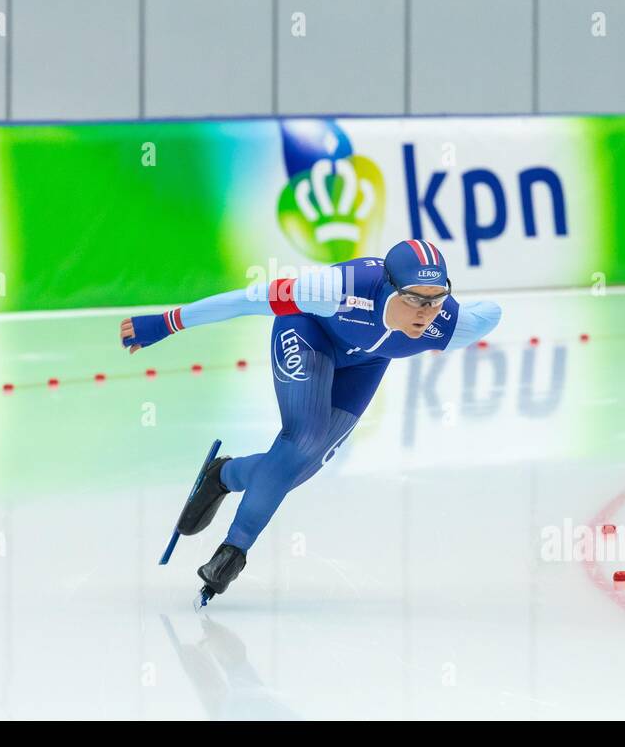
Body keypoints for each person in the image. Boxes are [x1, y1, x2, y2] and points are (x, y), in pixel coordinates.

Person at [120, 239, 501, 602]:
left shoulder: (451, 326)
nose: (425, 312)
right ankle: (232, 553)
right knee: (302, 439)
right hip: (306, 332)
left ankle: (225, 475)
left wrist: (448, 306)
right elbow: (246, 301)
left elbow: (491, 312)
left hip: (365, 363)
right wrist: (166, 323)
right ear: (389, 286)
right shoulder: (335, 289)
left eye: (436, 300)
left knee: (307, 463)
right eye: (415, 298)